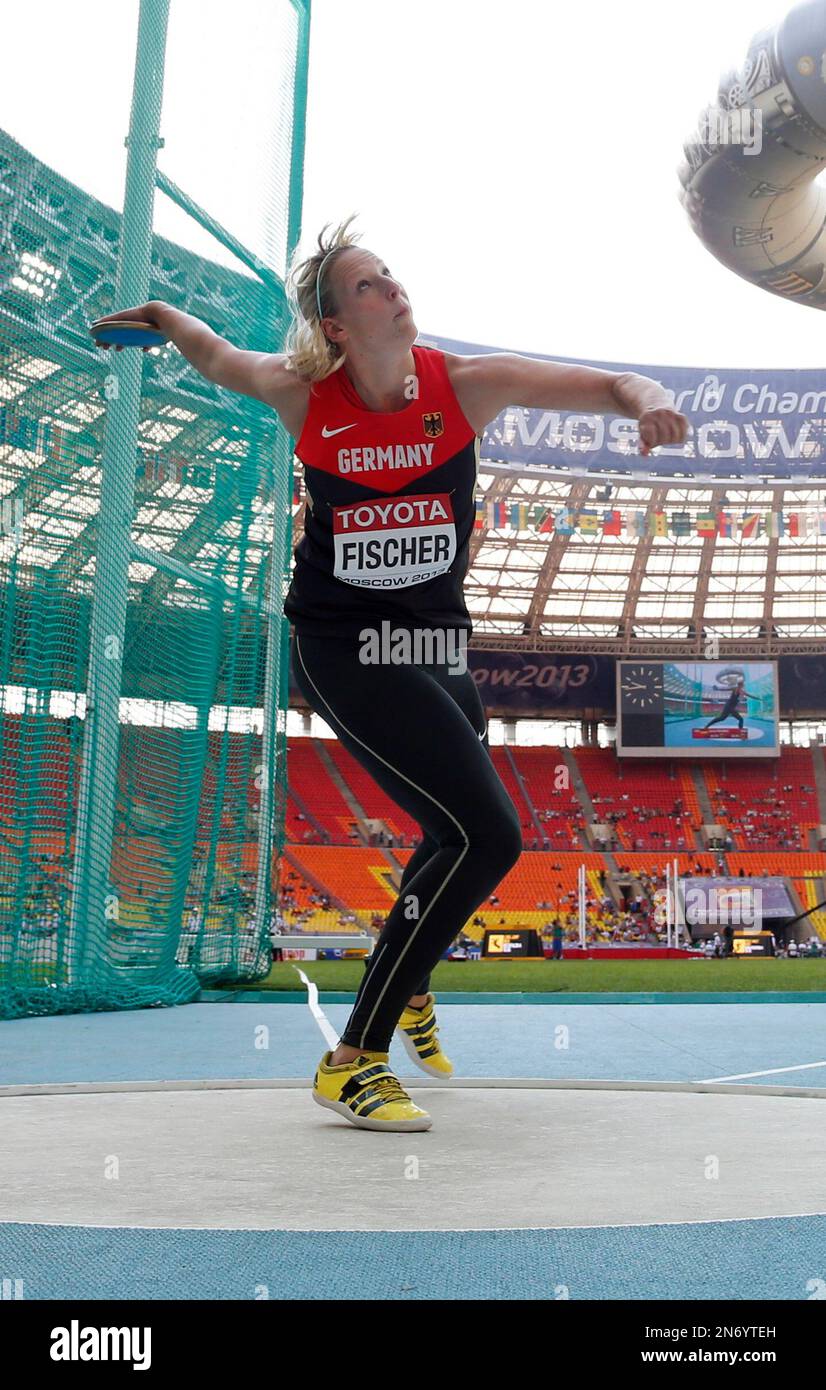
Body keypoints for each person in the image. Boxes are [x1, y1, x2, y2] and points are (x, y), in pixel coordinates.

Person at [94, 216, 687, 1132]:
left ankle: (404, 981)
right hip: (344, 643)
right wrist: (168, 316)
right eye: (370, 283)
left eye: (391, 274)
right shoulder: (302, 394)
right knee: (487, 836)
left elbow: (607, 384)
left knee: (450, 828)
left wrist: (646, 397)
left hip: (435, 643)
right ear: (336, 325)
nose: (394, 287)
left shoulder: (468, 385)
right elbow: (215, 356)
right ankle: (352, 1058)